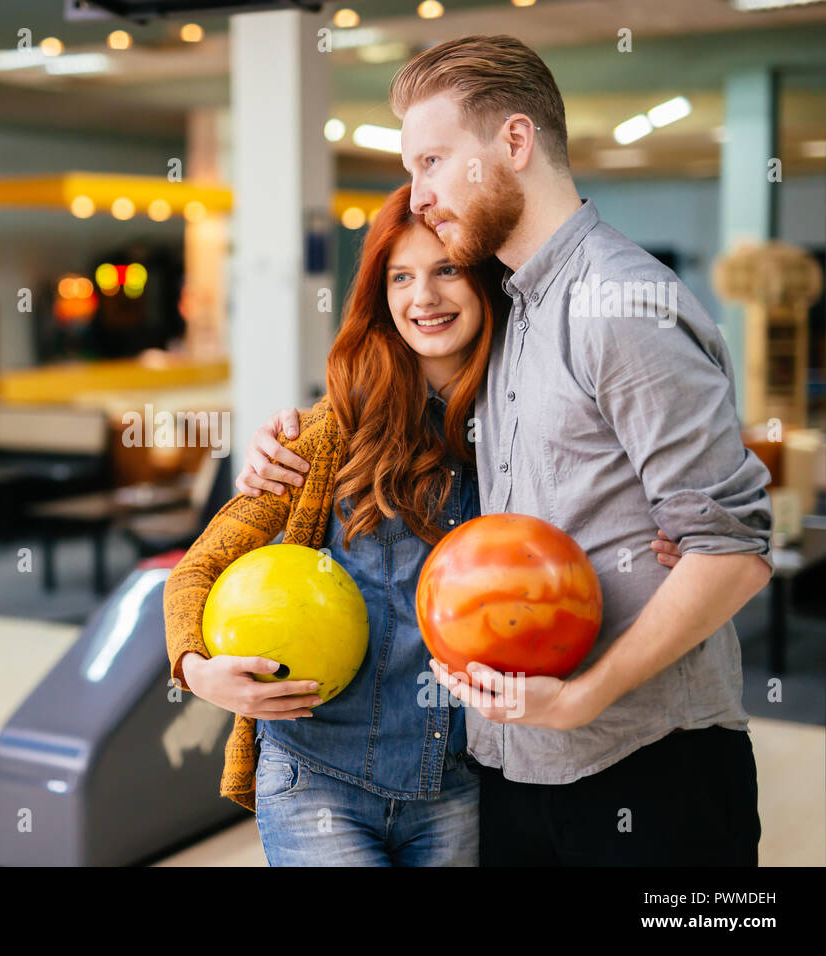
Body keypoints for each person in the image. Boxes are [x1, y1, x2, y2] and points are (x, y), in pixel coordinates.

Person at [236, 35, 772, 866]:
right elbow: (400, 411)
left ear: (514, 144)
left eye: (434, 162)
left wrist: (584, 695)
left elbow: (731, 553)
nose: (420, 195)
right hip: (513, 768)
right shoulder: (512, 314)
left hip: (643, 761)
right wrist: (285, 443)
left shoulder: (617, 305)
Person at [166, 184, 681, 866]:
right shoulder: (325, 435)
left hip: (460, 786)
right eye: (400, 277)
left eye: (446, 271)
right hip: (319, 777)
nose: (423, 297)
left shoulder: (530, 428)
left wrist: (659, 536)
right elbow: (196, 569)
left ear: (487, 280)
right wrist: (199, 674)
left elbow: (596, 522)